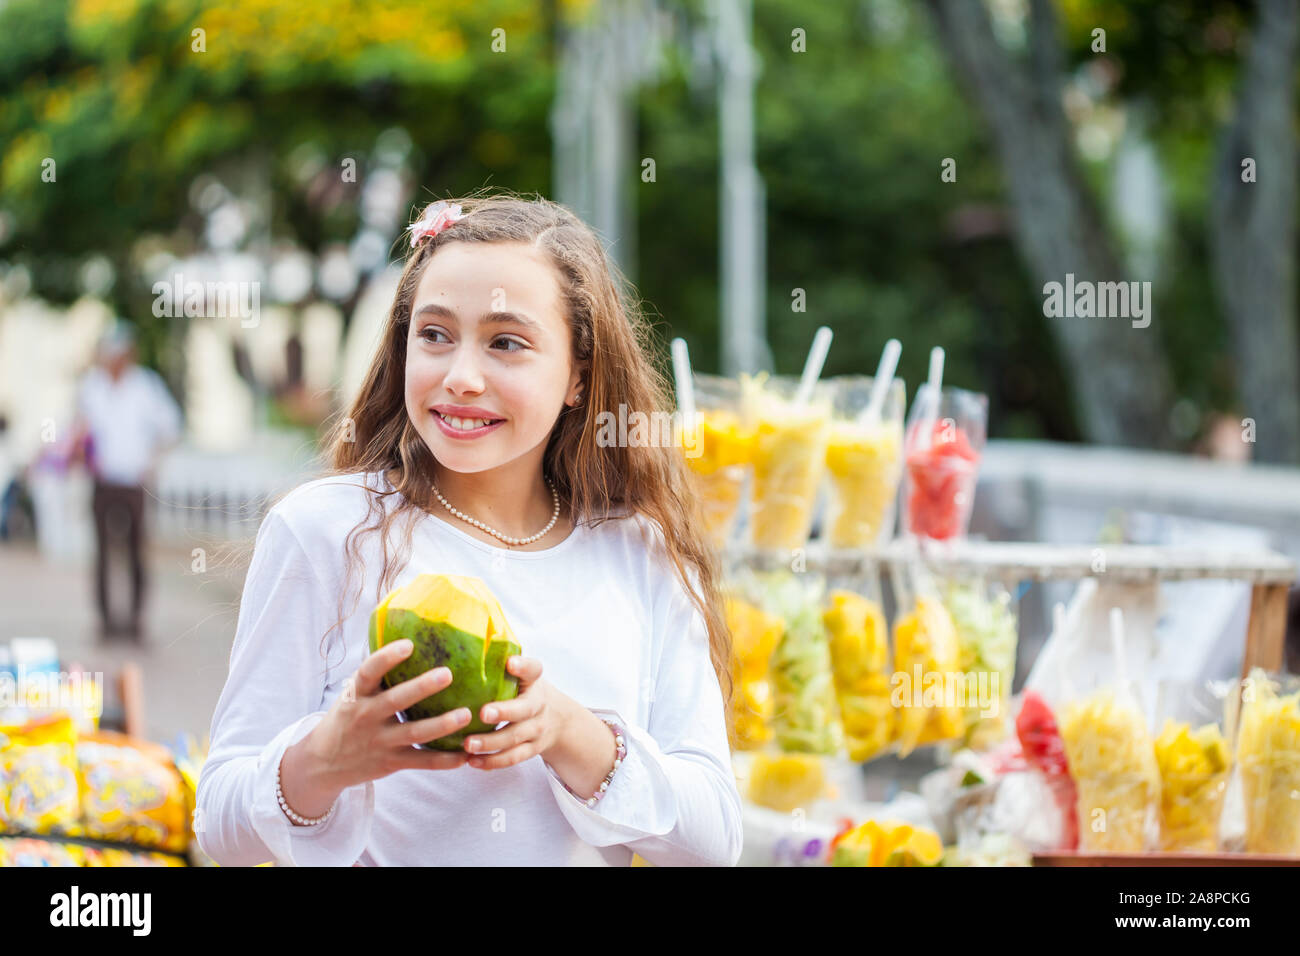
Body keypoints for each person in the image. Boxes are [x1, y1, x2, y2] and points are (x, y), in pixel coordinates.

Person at [196, 192, 742, 867]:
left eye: (506, 342)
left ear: (578, 373)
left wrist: (568, 730)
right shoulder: (324, 531)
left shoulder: (639, 549)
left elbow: (714, 841)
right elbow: (218, 826)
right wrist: (324, 759)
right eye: (435, 335)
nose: (460, 377)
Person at [72, 322, 183, 641]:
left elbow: (171, 427)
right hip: (103, 481)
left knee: (135, 550)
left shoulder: (146, 386)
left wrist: (151, 462)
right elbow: (80, 428)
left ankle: (135, 619)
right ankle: (106, 621)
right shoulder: (92, 386)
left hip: (134, 483)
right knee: (102, 552)